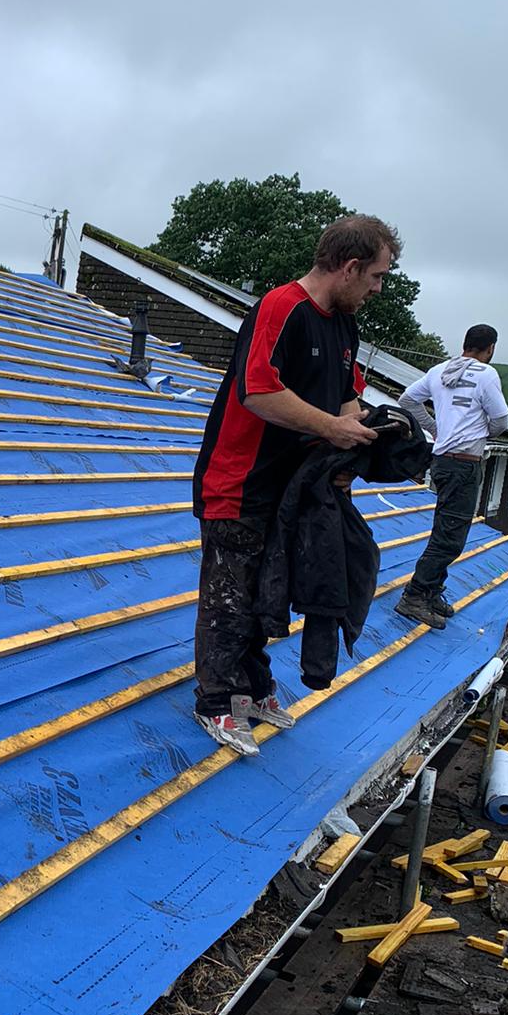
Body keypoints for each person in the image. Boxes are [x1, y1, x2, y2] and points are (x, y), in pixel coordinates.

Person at [191, 214, 396, 757]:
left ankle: (252, 690)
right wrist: (331, 427)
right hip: (240, 483)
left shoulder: (343, 326)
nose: (378, 288)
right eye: (376, 276)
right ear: (349, 268)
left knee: (267, 593)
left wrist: (357, 441)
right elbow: (257, 391)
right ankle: (215, 701)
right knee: (228, 599)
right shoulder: (283, 308)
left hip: (290, 492)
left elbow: (348, 397)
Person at [394, 324, 508, 629]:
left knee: (446, 529)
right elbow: (500, 420)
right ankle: (415, 595)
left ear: (465, 344)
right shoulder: (486, 375)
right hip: (464, 465)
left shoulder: (440, 370)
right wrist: (481, 431)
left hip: (443, 462)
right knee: (450, 538)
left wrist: (434, 427)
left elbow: (406, 400)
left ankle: (431, 591)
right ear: (491, 348)